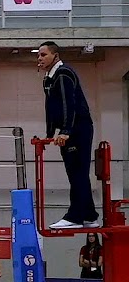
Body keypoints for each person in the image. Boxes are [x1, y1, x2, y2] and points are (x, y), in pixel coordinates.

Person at [38, 42, 99, 229]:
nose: (39, 58)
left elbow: (68, 103)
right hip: (70, 130)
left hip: (78, 129)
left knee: (77, 173)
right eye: (38, 55)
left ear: (55, 56)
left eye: (43, 55)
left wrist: (65, 131)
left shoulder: (63, 73)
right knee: (76, 173)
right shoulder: (49, 78)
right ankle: (89, 215)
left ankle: (75, 216)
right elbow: (51, 108)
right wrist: (50, 133)